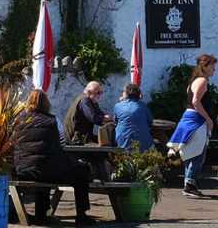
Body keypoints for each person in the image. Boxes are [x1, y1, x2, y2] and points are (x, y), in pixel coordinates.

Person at [14, 90, 93, 225]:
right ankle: (82, 215)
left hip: (22, 170)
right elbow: (59, 146)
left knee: (42, 165)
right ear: (46, 103)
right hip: (43, 170)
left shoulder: (19, 121)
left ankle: (41, 214)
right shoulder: (51, 121)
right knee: (81, 172)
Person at [168, 54, 216, 199]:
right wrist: (208, 119)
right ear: (205, 66)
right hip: (196, 119)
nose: (214, 69)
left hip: (188, 118)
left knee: (191, 151)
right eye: (212, 66)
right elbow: (195, 102)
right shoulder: (202, 81)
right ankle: (189, 184)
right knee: (198, 152)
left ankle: (189, 183)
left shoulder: (193, 81)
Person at [112, 83, 153, 151]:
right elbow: (150, 121)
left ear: (126, 94)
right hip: (143, 144)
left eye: (123, 91)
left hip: (122, 143)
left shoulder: (117, 106)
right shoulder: (143, 106)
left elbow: (115, 122)